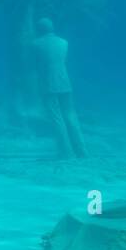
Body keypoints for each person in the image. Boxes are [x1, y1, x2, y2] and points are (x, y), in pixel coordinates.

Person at [31, 18, 87, 158]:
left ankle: (66, 152)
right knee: (71, 115)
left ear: (39, 29)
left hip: (48, 83)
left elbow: (35, 65)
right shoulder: (63, 42)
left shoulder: (35, 44)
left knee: (56, 117)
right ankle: (81, 150)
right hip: (65, 81)